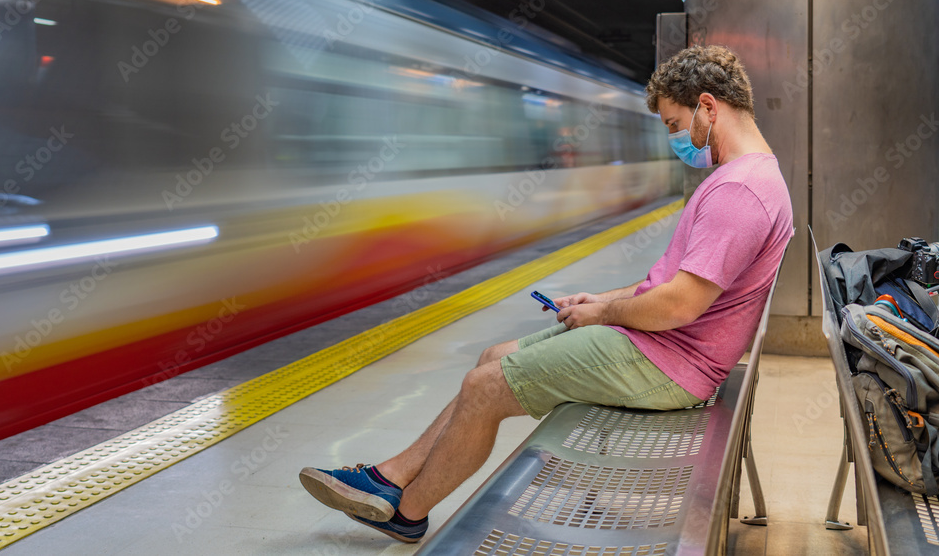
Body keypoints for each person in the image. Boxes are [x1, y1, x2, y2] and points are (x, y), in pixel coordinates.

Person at [298, 44, 793, 543]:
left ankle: (407, 511)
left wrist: (604, 315)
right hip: (664, 347)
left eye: (673, 124)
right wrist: (595, 299)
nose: (675, 138)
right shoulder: (743, 179)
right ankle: (390, 478)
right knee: (492, 357)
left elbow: (679, 305)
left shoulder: (738, 192)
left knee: (484, 388)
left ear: (708, 106)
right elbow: (669, 282)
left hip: (671, 363)